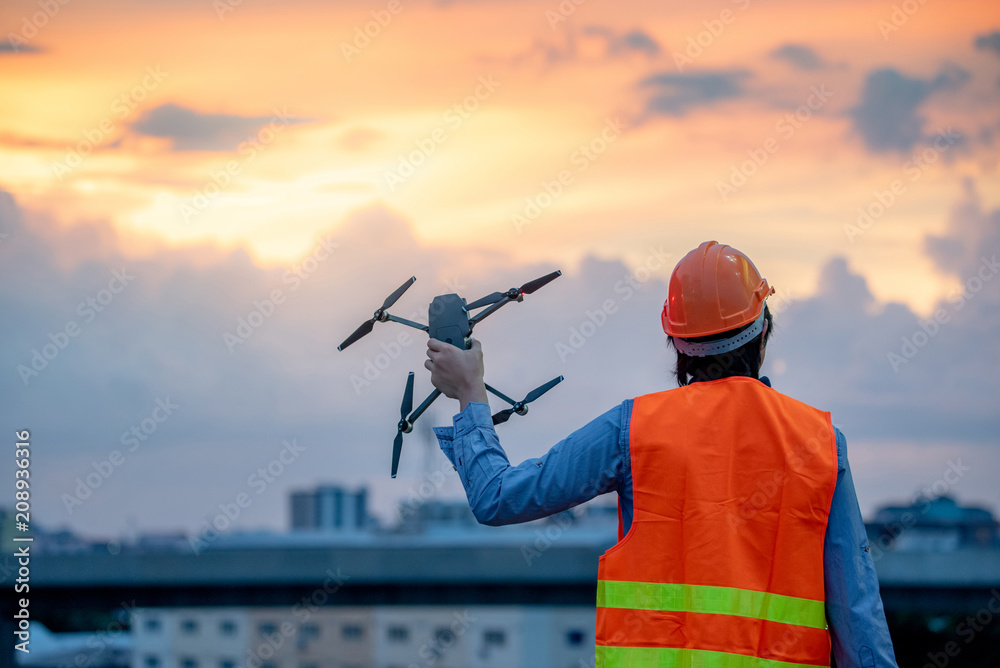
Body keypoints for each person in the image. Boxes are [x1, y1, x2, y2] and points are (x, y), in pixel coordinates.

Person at [425, 241, 897, 667]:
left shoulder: (633, 430)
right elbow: (858, 614)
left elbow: (499, 497)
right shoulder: (817, 441)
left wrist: (470, 391)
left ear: (676, 342)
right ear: (763, 330)